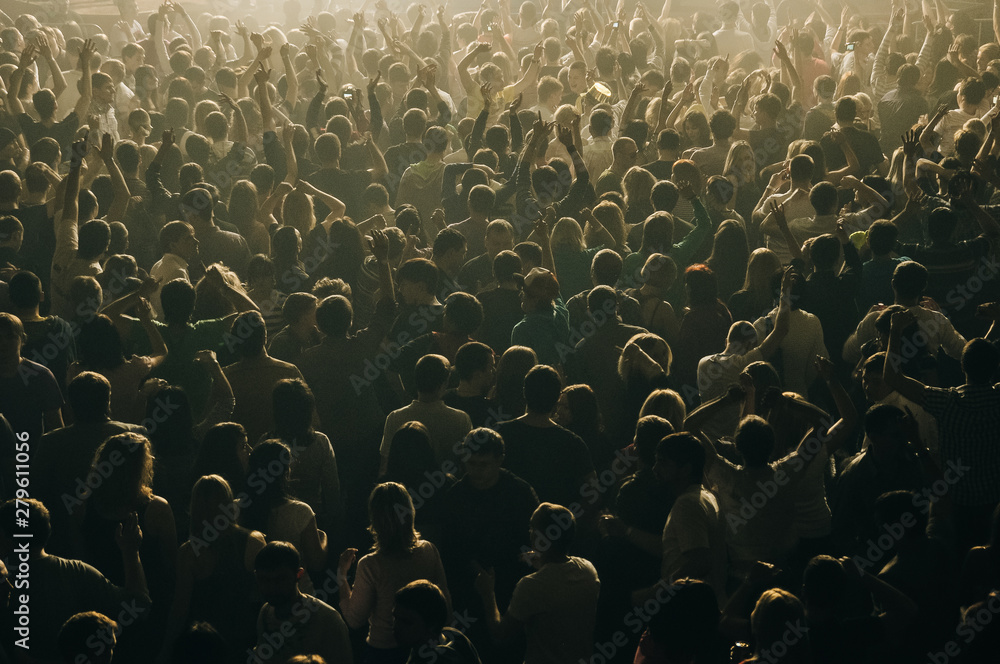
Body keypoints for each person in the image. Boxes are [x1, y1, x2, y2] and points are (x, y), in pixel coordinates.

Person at [473, 503, 601, 664]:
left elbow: (500, 635)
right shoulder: (588, 570)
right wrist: (543, 561)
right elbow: (560, 579)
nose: (530, 532)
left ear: (537, 537)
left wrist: (488, 593)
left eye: (532, 528)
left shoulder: (531, 586)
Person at [338, 482, 451, 664]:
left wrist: (342, 575)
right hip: (427, 648)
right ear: (410, 511)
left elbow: (354, 619)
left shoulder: (370, 565)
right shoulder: (429, 550)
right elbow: (445, 603)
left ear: (374, 518)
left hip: (384, 653)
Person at [496, 365, 597, 510]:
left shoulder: (499, 434)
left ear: (524, 392)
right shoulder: (573, 443)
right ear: (556, 398)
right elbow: (593, 494)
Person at [252, 542, 353, 664]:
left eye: (280, 579)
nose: (272, 587)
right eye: (265, 580)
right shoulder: (265, 613)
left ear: (299, 575)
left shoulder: (327, 620)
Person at [394, 580, 482, 664]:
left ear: (432, 625)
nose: (396, 626)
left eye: (406, 622)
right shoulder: (454, 637)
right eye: (395, 617)